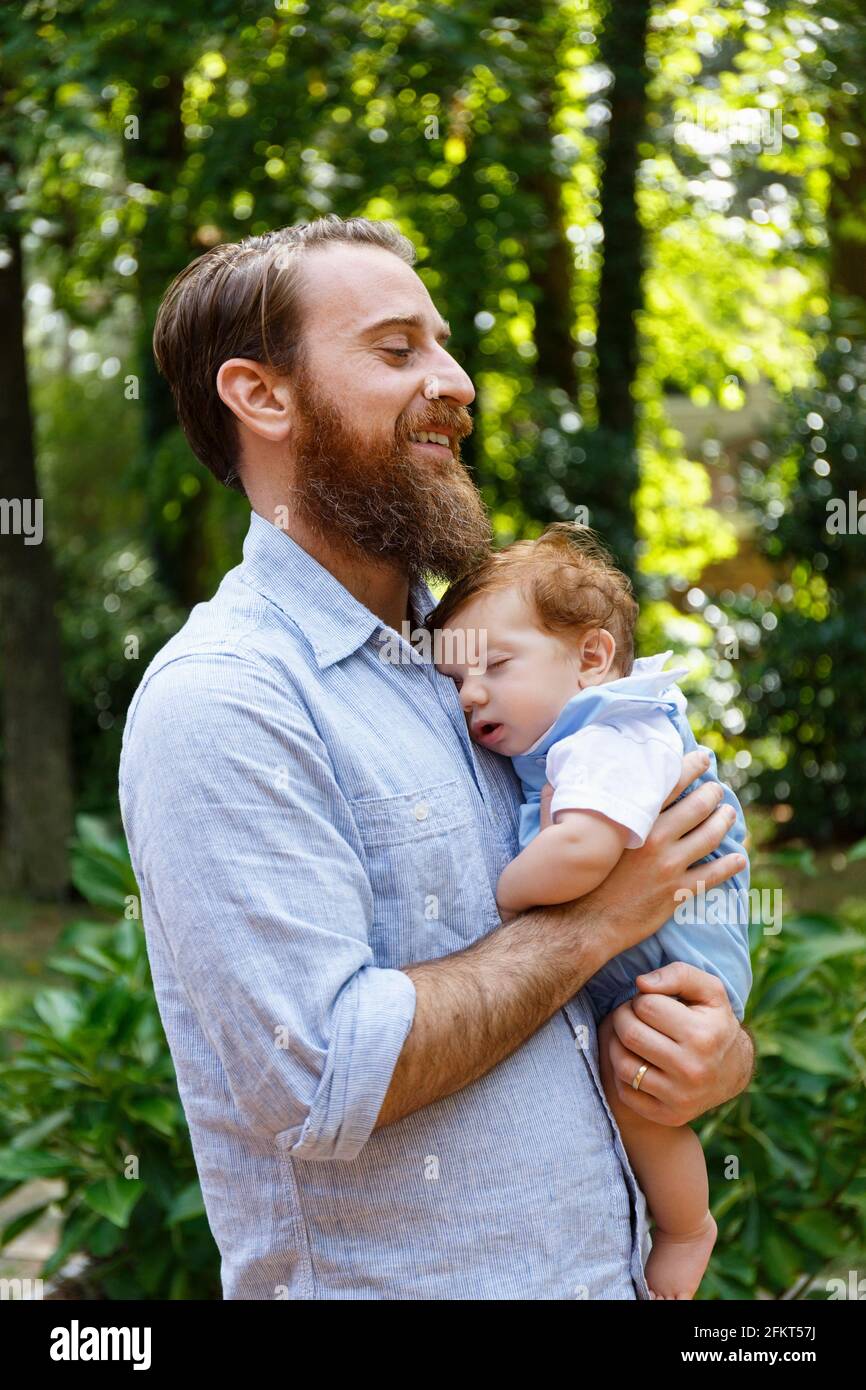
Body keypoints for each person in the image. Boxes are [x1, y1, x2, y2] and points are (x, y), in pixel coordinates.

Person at [118, 215, 753, 1299]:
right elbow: (323, 1074)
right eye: (396, 348)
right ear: (262, 395)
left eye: (445, 345)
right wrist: (600, 919)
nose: (456, 381)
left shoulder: (479, 661)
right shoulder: (225, 699)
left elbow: (613, 973)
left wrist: (708, 1051)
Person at [428, 522, 752, 1299]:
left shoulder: (606, 730)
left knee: (637, 1089)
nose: (471, 694)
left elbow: (584, 855)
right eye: (456, 682)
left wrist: (503, 890)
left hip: (677, 967)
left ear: (593, 658)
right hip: (654, 962)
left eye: (495, 667)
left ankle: (686, 1227)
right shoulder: (565, 735)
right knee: (630, 1079)